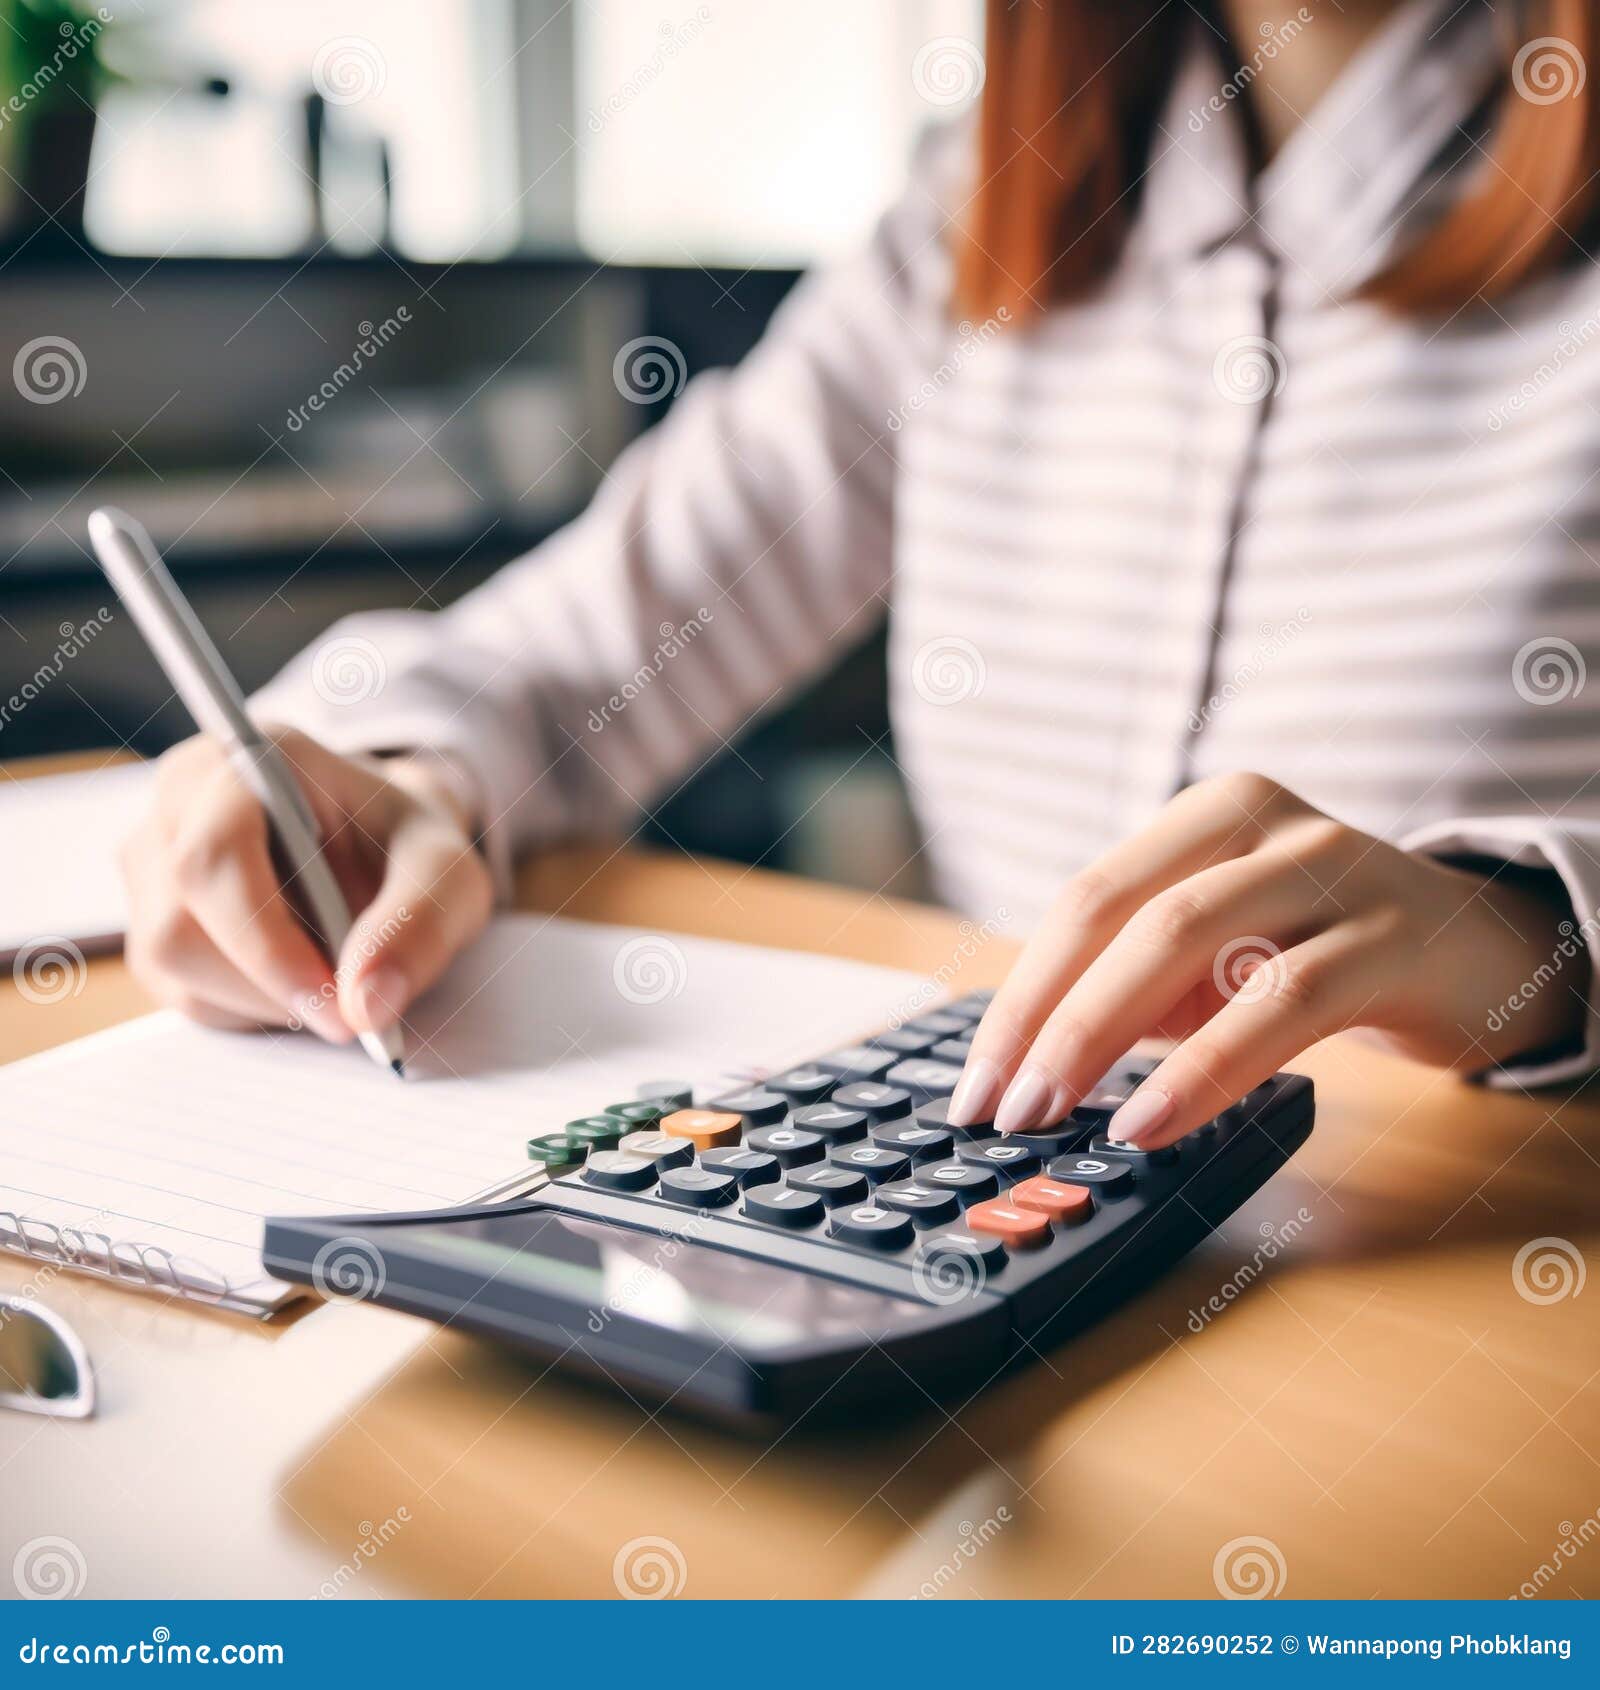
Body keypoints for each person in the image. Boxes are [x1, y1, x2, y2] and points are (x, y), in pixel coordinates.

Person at [121, 0, 1600, 1151]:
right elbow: (578, 648)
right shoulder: (978, 209)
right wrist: (396, 772)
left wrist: (1540, 948)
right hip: (1011, 1257)